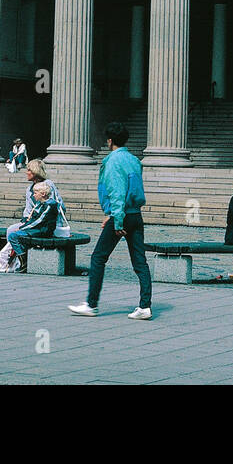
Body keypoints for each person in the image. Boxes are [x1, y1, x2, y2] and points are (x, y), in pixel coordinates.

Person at [69, 121, 153, 320]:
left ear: (109, 141)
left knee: (98, 257)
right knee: (140, 262)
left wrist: (116, 220)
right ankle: (145, 306)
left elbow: (116, 191)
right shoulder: (134, 160)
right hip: (135, 214)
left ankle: (91, 304)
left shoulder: (113, 161)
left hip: (120, 214)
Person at [0, 159, 72, 273]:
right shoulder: (30, 189)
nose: (26, 172)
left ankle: (23, 260)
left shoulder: (48, 185)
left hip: (46, 223)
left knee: (17, 232)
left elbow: (58, 207)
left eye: (28, 170)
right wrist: (25, 221)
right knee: (11, 230)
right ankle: (19, 258)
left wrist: (27, 225)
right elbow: (28, 209)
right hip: (32, 222)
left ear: (35, 171)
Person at [0, 181, 59, 273]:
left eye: (35, 193)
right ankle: (22, 258)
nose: (33, 195)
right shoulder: (40, 204)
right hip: (37, 229)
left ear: (43, 194)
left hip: (43, 230)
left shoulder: (50, 205)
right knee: (15, 234)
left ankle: (23, 261)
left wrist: (22, 228)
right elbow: (33, 219)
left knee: (13, 236)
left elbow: (38, 221)